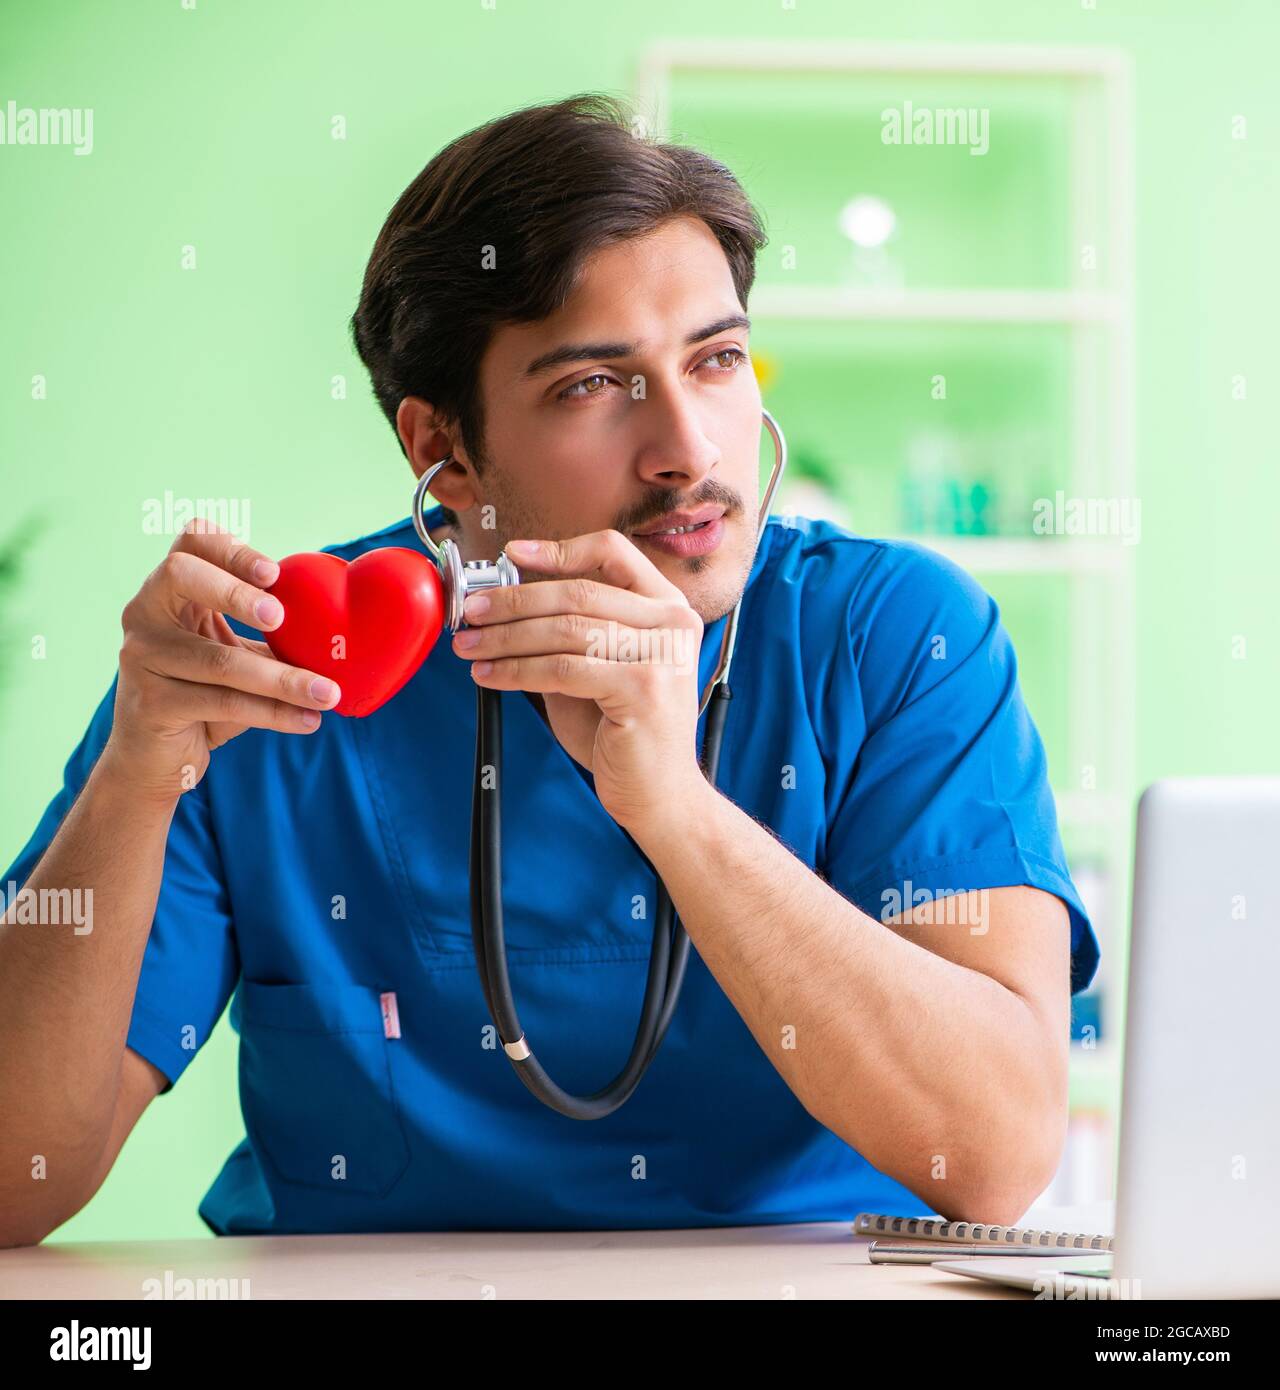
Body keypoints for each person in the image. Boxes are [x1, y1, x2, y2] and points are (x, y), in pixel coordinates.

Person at [0, 93, 1098, 1243]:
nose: (687, 448)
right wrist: (133, 774)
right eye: (591, 385)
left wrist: (671, 806)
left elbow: (992, 1158)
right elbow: (14, 1177)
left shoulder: (894, 636)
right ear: (445, 449)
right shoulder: (268, 671)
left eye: (716, 360)